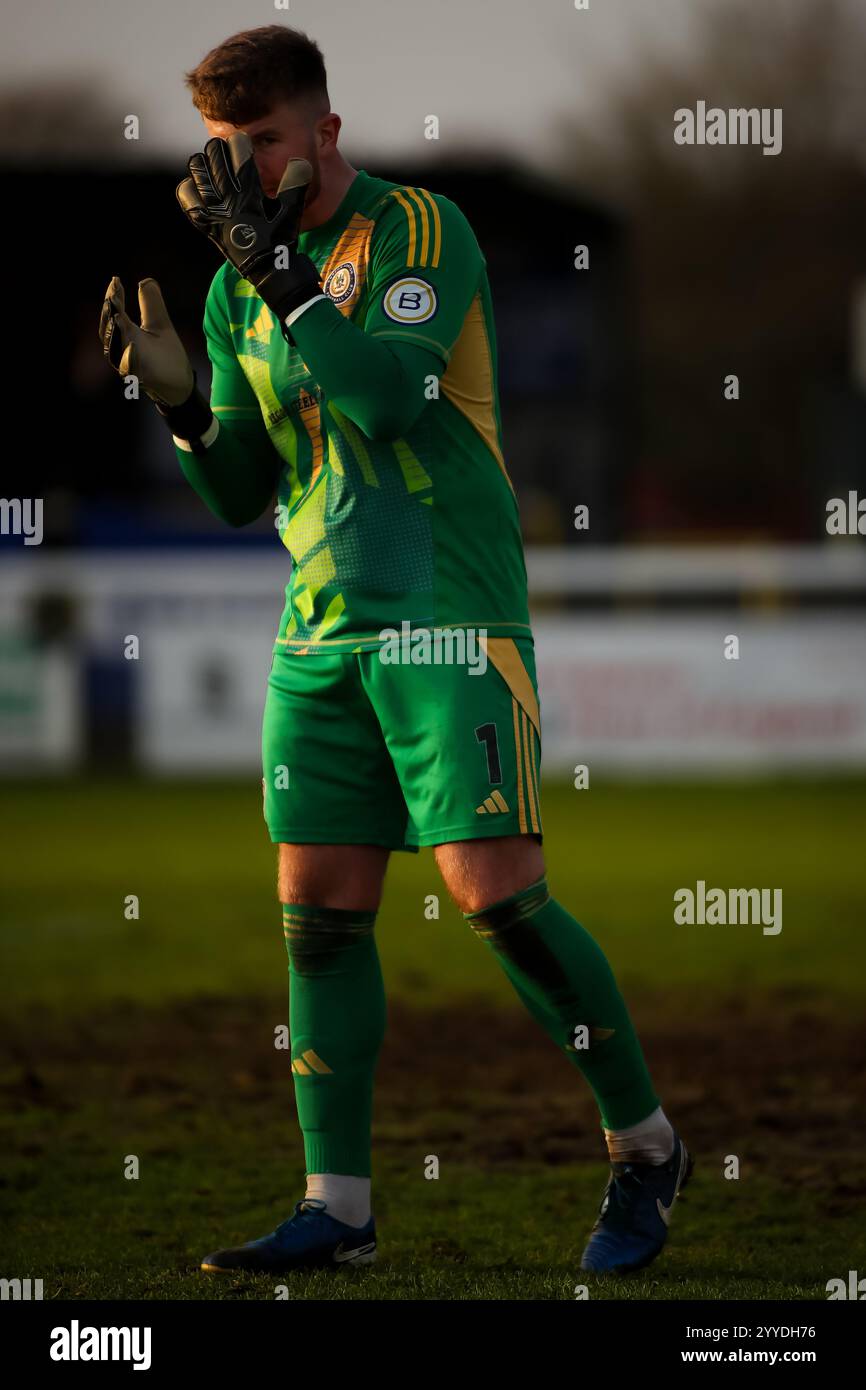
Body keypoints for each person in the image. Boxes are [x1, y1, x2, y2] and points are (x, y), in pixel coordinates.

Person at [99, 23, 692, 1278]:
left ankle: (643, 1148)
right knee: (316, 914)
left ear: (324, 129)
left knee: (496, 896)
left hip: (447, 611)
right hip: (318, 629)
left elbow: (381, 401)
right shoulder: (226, 284)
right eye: (221, 147)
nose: (241, 168)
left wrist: (269, 269)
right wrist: (179, 405)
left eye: (262, 140)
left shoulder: (418, 230)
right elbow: (240, 490)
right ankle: (341, 1206)